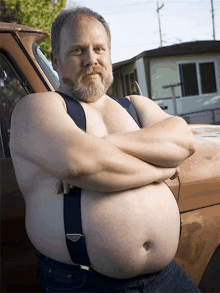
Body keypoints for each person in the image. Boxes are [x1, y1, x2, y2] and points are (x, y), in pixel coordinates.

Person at [9, 6, 200, 293]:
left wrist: (107, 144)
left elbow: (184, 141)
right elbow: (83, 164)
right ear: (57, 61)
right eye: (78, 51)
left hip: (168, 277)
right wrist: (166, 168)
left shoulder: (137, 105)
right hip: (87, 283)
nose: (91, 59)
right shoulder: (38, 107)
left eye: (99, 48)